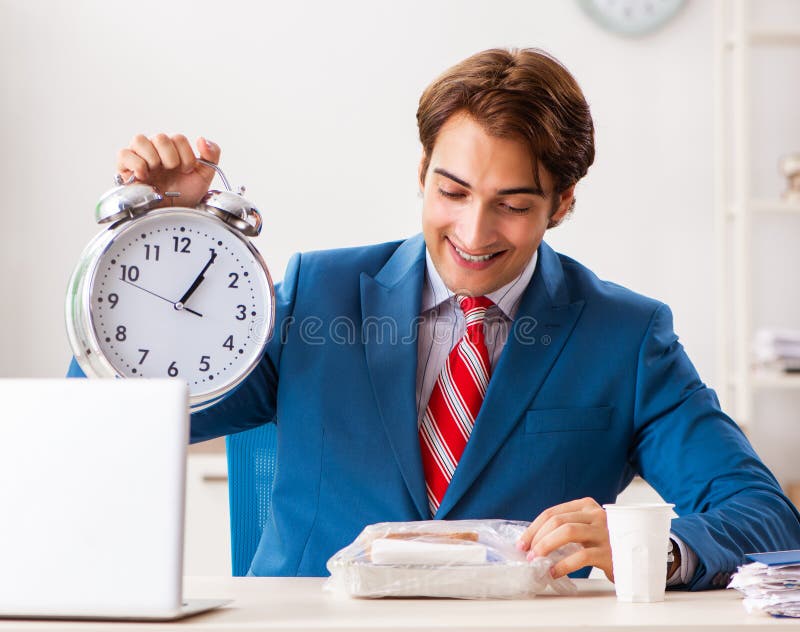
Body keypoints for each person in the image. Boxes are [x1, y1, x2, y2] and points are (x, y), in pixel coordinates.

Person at [74, 48, 800, 589]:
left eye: (513, 205)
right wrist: (157, 241)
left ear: (565, 202)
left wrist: (649, 546)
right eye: (452, 190)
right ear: (422, 170)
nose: (475, 232)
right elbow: (110, 419)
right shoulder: (315, 295)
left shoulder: (625, 336)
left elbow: (764, 515)